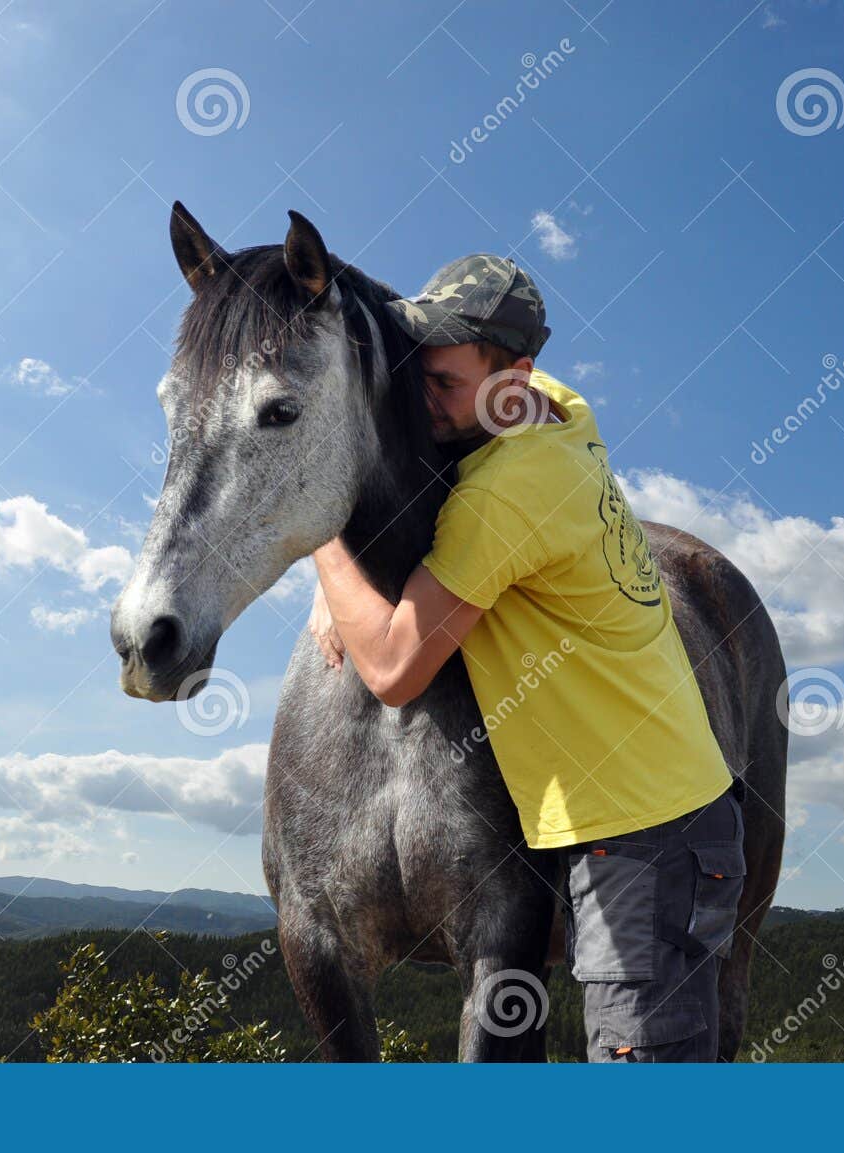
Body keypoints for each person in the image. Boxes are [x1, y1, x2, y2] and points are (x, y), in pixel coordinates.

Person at [307, 254, 746, 1061]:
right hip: (662, 814)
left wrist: (326, 537)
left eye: (444, 383)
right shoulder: (561, 409)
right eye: (418, 375)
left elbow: (394, 669)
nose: (424, 399)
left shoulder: (505, 494)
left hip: (645, 837)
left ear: (512, 380)